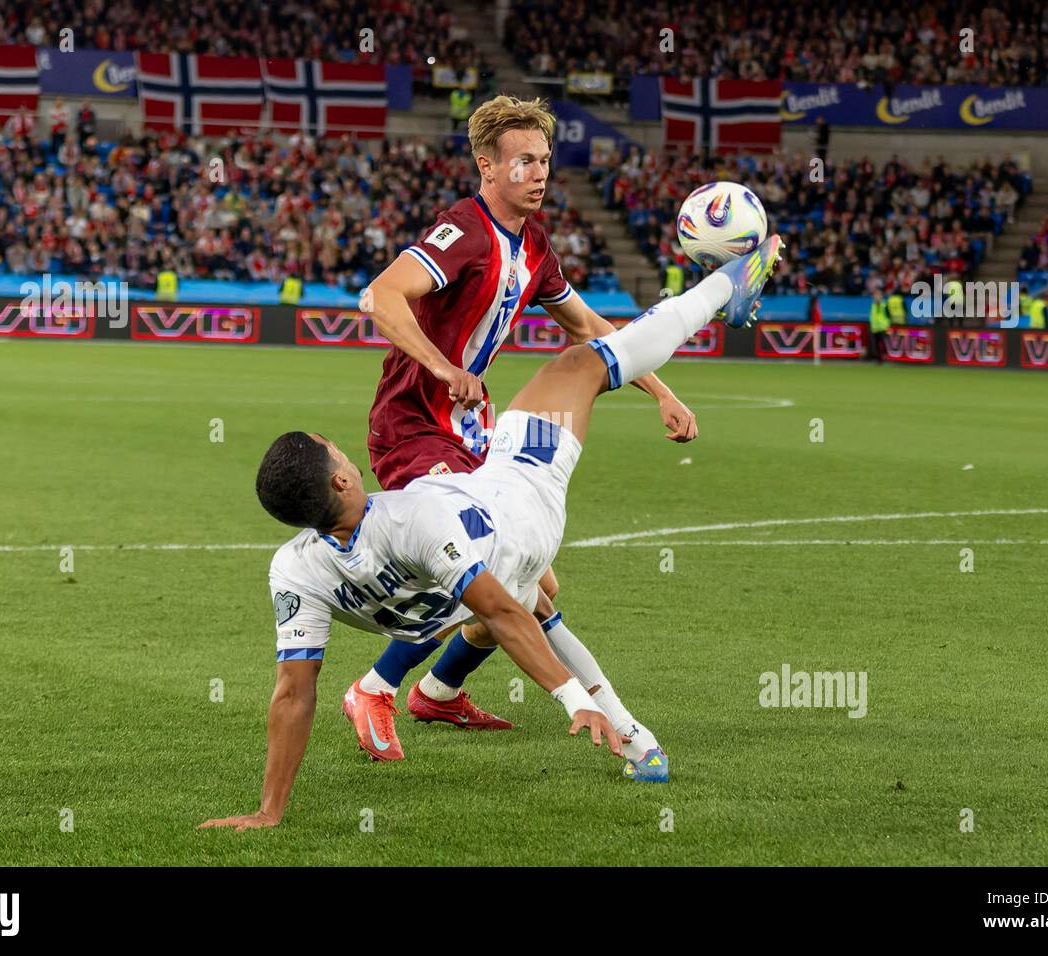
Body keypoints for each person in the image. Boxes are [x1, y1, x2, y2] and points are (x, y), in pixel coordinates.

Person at [198, 236, 781, 830]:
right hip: (524, 497)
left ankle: (628, 738)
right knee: (579, 364)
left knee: (536, 596)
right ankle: (721, 290)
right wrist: (571, 699)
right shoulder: (414, 519)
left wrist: (269, 810)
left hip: (486, 510)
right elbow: (501, 613)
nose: (351, 456)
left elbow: (294, 695)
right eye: (339, 454)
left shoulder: (295, 568)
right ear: (342, 483)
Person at [350, 95, 697, 779]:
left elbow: (589, 330)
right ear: (488, 167)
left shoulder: (534, 247)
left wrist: (662, 392)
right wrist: (445, 367)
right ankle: (374, 689)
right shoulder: (464, 231)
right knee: (491, 577)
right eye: (525, 162)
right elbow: (383, 295)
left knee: (538, 584)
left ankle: (438, 693)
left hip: (466, 429)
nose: (540, 173)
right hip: (413, 425)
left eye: (544, 160)